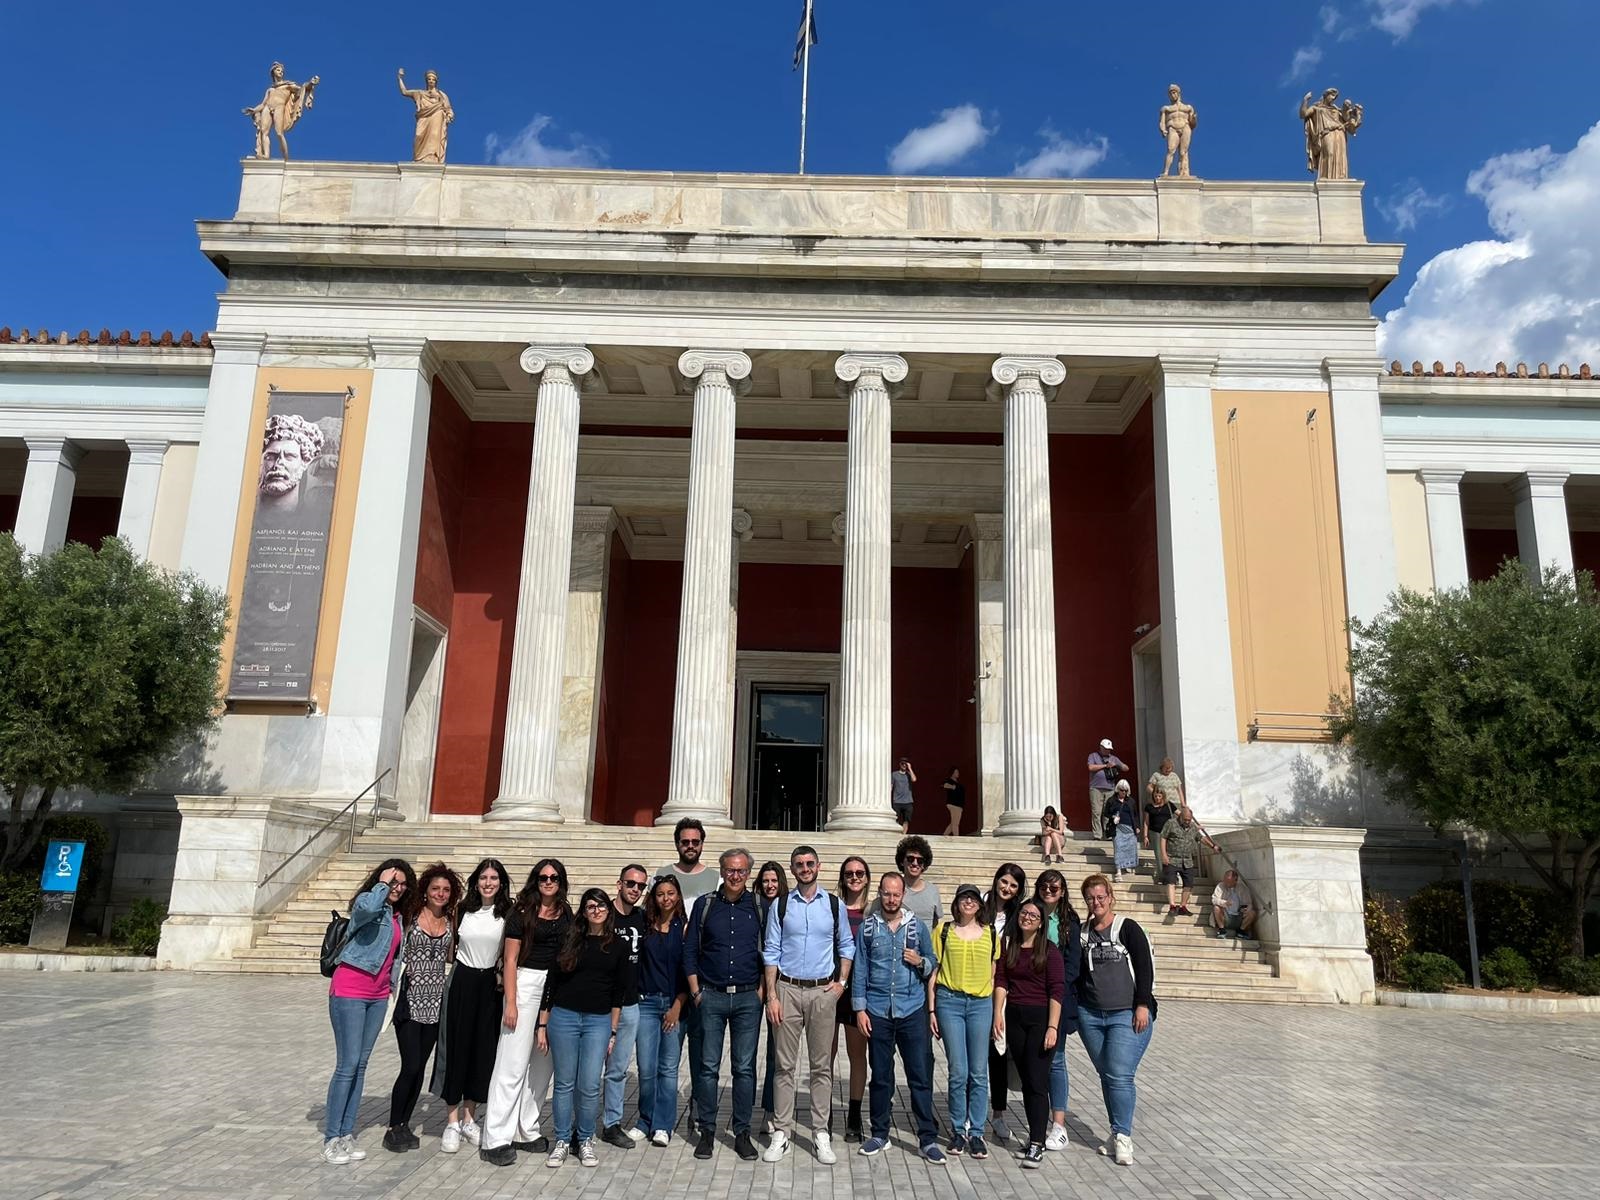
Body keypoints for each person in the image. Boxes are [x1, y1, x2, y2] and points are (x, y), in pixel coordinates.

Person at [762, 845, 855, 1164]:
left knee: (821, 1067)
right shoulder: (781, 905)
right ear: (792, 869)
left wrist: (841, 984)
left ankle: (820, 1132)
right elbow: (771, 950)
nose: (805, 868)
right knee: (784, 1066)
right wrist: (772, 995)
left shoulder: (833, 904)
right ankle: (782, 1132)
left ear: (819, 866)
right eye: (799, 864)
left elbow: (846, 944)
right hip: (787, 989)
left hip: (822, 991)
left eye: (810, 863)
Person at [322, 858, 416, 1166]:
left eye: (402, 884)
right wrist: (382, 884)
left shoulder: (398, 916)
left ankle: (346, 1133)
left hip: (377, 995)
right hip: (350, 989)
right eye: (393, 882)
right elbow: (364, 911)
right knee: (346, 1065)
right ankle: (331, 1138)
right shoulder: (368, 902)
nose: (397, 888)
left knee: (361, 1065)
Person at [479, 859, 572, 1166]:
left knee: (543, 1063)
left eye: (554, 877)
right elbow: (510, 960)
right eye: (543, 877)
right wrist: (511, 1002)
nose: (549, 882)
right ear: (536, 880)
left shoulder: (565, 913)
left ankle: (526, 1128)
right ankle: (495, 1137)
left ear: (561, 882)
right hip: (525, 983)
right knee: (512, 1063)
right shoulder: (522, 912)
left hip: (555, 987)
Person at [852, 873, 944, 1163]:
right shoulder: (868, 928)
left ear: (903, 895)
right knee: (880, 1076)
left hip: (911, 1009)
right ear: (879, 893)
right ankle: (880, 1133)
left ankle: (927, 1138)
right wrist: (860, 1009)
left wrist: (920, 961)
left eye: (896, 894)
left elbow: (932, 963)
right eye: (886, 894)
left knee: (919, 1075)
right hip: (878, 1010)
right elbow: (860, 969)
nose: (891, 899)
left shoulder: (916, 926)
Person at [539, 888, 634, 1169]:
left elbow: (619, 992)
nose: (596, 911)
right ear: (583, 911)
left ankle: (585, 1139)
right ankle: (562, 1140)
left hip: (598, 1021)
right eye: (591, 906)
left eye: (601, 906)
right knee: (564, 1083)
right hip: (564, 1017)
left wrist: (613, 1031)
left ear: (608, 910)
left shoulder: (618, 945)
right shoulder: (569, 939)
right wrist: (542, 1023)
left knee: (590, 1084)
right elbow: (551, 984)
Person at [684, 847, 765, 1162]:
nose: (735, 875)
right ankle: (707, 1130)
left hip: (747, 997)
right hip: (711, 995)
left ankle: (742, 1132)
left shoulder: (759, 906)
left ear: (749, 873)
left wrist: (761, 991)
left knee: (744, 1068)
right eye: (730, 870)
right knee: (708, 1067)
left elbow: (769, 949)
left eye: (741, 870)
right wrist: (696, 992)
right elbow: (690, 951)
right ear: (721, 871)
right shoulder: (705, 905)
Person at [1076, 873, 1157, 1166]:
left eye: (1100, 897)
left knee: (1120, 1074)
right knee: (1107, 1074)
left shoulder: (1127, 928)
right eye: (1090, 898)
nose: (1096, 902)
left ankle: (1123, 1136)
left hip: (1127, 1013)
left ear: (1110, 897)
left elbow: (1145, 967)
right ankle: (1116, 1131)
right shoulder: (1082, 933)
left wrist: (1142, 1005)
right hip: (1091, 1014)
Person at [384, 862, 461, 1153]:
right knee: (411, 1065)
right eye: (435, 888)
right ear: (425, 891)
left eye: (446, 890)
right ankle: (393, 1126)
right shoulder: (411, 915)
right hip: (408, 1000)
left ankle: (404, 1124)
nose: (440, 893)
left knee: (419, 1069)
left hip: (435, 1003)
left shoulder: (451, 921)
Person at [437, 858, 510, 1154]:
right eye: (483, 878)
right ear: (476, 882)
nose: (488, 883)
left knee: (482, 1052)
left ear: (501, 883)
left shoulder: (507, 913)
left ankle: (470, 1118)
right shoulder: (461, 910)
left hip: (490, 985)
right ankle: (451, 1122)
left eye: (493, 878)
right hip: (463, 982)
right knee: (457, 1049)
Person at [992, 897, 1065, 1169]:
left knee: (1037, 1081)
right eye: (1024, 913)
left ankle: (1037, 1142)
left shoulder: (1050, 951)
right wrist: (998, 1014)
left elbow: (1057, 990)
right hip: (1015, 1018)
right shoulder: (1009, 945)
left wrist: (1052, 1027)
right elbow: (1001, 980)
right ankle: (1036, 1137)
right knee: (1026, 1079)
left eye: (1034, 915)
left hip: (1040, 1020)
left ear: (1042, 922)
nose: (1027, 918)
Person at [656, 817, 718, 1130]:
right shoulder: (662, 875)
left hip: (703, 977)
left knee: (702, 1053)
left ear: (702, 844)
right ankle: (660, 1116)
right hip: (669, 978)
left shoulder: (716, 879)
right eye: (685, 841)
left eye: (695, 841)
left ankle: (698, 1108)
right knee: (668, 1053)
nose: (690, 846)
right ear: (677, 843)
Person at [932, 883, 999, 1159]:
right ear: (956, 903)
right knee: (958, 1070)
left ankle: (977, 1132)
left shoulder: (990, 933)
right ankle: (958, 1130)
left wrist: (997, 1012)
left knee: (979, 1072)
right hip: (950, 1002)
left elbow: (994, 973)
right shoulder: (943, 930)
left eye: (973, 898)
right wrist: (931, 1010)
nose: (968, 902)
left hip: (981, 1004)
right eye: (964, 898)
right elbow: (934, 970)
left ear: (980, 904)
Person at [633, 876, 689, 1145]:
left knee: (668, 1067)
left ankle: (662, 1125)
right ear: (653, 898)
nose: (666, 898)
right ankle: (645, 1120)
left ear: (678, 896)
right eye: (660, 894)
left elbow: (689, 970)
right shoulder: (645, 925)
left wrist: (677, 1005)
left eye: (671, 893)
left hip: (674, 1003)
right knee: (646, 1067)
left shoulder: (685, 928)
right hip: (646, 1003)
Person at [600, 864, 650, 1149]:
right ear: (619, 884)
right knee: (588, 1069)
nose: (635, 889)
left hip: (630, 1003)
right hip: (599, 1004)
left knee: (617, 1069)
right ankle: (580, 1126)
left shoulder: (642, 918)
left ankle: (611, 1123)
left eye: (641, 886)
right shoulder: (602, 914)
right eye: (631, 883)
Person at [1033, 869, 1081, 1152]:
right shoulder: (1028, 912)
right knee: (1033, 1059)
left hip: (1057, 998)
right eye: (1044, 887)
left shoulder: (1069, 921)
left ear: (1063, 892)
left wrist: (1055, 987)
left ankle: (1059, 1125)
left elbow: (1073, 963)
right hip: (1029, 997)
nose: (1049, 892)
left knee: (1057, 1060)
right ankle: (1035, 1119)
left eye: (1055, 888)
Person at [983, 863, 1026, 1145]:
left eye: (1013, 885)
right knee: (975, 1056)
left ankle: (998, 1114)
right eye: (1004, 882)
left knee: (998, 1053)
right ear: (996, 880)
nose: (1007, 888)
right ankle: (970, 1110)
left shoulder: (1018, 915)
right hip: (975, 988)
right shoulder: (979, 904)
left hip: (1002, 991)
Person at [833, 856, 872, 1142]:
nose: (854, 877)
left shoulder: (875, 910)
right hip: (830, 987)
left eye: (859, 873)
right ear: (842, 877)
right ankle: (824, 1113)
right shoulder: (831, 907)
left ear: (867, 877)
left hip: (859, 990)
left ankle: (855, 1115)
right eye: (849, 873)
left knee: (857, 1055)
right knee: (825, 1054)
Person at [754, 861, 788, 1133]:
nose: (769, 885)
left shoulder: (788, 906)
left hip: (780, 983)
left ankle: (772, 1108)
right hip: (753, 983)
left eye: (774, 880)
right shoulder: (753, 906)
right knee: (748, 1051)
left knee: (775, 1051)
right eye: (765, 880)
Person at [1160, 808, 1218, 916]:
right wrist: (1164, 855)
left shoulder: (1192, 826)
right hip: (1172, 858)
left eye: (1189, 820)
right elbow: (1163, 837)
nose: (1187, 822)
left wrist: (1213, 846)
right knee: (1171, 882)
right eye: (1185, 819)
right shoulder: (1171, 823)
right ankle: (1172, 906)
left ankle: (1183, 906)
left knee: (1188, 884)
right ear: (1180, 816)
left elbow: (1200, 838)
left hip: (1187, 860)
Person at [396, 67, 454, 163]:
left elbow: (448, 108)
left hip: (437, 114)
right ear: (426, 81)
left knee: (434, 135)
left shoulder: (441, 95)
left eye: (433, 79)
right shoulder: (420, 93)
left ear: (436, 82)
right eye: (429, 79)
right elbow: (404, 92)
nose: (431, 81)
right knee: (419, 136)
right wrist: (400, 78)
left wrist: (449, 115)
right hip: (423, 116)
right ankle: (420, 158)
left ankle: (433, 157)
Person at [893, 835, 943, 926]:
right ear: (902, 861)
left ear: (924, 864)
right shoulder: (891, 888)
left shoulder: (933, 891)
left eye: (920, 860)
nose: (915, 863)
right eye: (910, 859)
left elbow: (935, 923)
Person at [1088, 739, 1129, 841]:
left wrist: (1117, 765)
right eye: (1106, 749)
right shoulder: (1093, 756)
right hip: (1096, 788)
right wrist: (1105, 766)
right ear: (1101, 747)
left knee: (1108, 812)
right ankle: (1097, 835)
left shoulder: (1113, 758)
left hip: (1110, 788)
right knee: (1096, 812)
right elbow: (1090, 767)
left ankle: (1108, 834)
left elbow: (1126, 768)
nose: (1108, 751)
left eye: (1109, 749)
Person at [1142, 782, 1177, 881]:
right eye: (1155, 796)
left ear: (1163, 796)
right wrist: (1145, 836)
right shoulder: (1149, 807)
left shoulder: (1169, 805)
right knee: (1159, 855)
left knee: (1170, 854)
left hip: (1168, 834)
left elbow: (1180, 815)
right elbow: (1146, 822)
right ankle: (1162, 876)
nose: (1157, 798)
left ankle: (1172, 875)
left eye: (1159, 796)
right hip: (1155, 833)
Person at [1107, 781, 1140, 882]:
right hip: (1117, 828)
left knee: (1130, 848)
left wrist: (1137, 826)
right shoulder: (1111, 800)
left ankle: (1126, 866)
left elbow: (1135, 815)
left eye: (1126, 790)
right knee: (1118, 848)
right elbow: (1106, 813)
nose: (1124, 792)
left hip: (1130, 828)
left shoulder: (1131, 801)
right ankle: (1118, 871)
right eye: (1122, 790)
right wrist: (1113, 816)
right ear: (1118, 790)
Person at [1211, 869, 1258, 941]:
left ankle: (1241, 931)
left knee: (1252, 913)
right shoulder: (1220, 886)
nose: (1226, 884)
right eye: (1225, 881)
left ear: (1235, 880)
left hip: (1239, 915)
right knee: (1216, 908)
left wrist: (1246, 909)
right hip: (1225, 915)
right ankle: (1222, 929)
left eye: (1229, 882)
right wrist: (1224, 903)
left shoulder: (1242, 888)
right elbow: (1214, 899)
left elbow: (1249, 903)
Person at [891, 757, 917, 831]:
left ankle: (903, 834)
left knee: (906, 820)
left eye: (905, 764)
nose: (904, 765)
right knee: (896, 820)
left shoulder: (909, 774)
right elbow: (891, 786)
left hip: (908, 801)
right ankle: (897, 834)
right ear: (900, 764)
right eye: (902, 763)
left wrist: (910, 768)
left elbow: (914, 779)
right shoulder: (894, 774)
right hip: (897, 801)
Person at [941, 766, 966, 836]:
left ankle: (944, 836)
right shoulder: (950, 781)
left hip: (959, 805)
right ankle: (956, 838)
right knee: (955, 824)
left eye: (958, 772)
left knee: (953, 823)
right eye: (956, 772)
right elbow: (943, 784)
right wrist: (952, 787)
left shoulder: (957, 783)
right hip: (954, 804)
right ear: (952, 773)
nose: (958, 773)